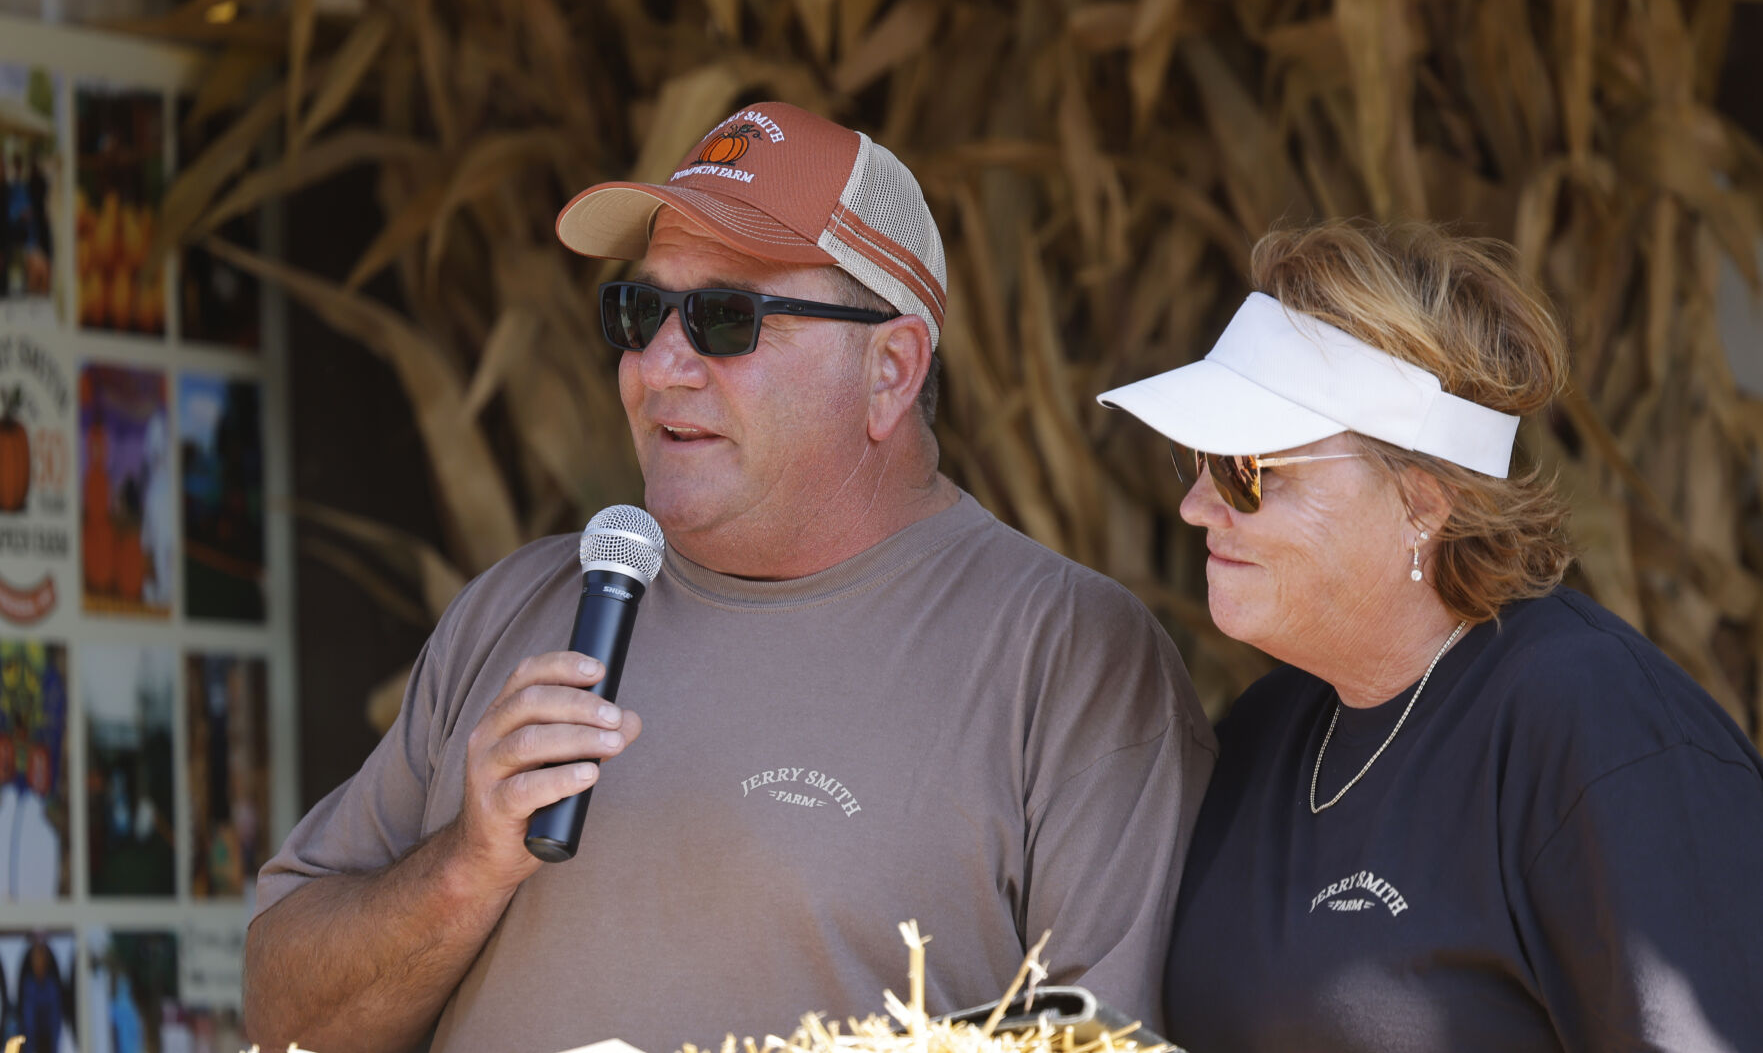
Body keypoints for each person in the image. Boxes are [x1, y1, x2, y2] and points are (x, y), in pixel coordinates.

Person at [246, 101, 1216, 1053]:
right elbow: (281, 1014)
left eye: (723, 317)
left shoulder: (1065, 656)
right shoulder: (519, 605)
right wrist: (463, 865)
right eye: (638, 309)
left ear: (890, 368)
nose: (657, 364)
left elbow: (1110, 1042)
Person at [1099, 219, 1763, 1052]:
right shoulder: (1262, 731)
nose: (1199, 505)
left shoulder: (1597, 728)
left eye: (1248, 471)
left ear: (1421, 500)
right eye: (1201, 455)